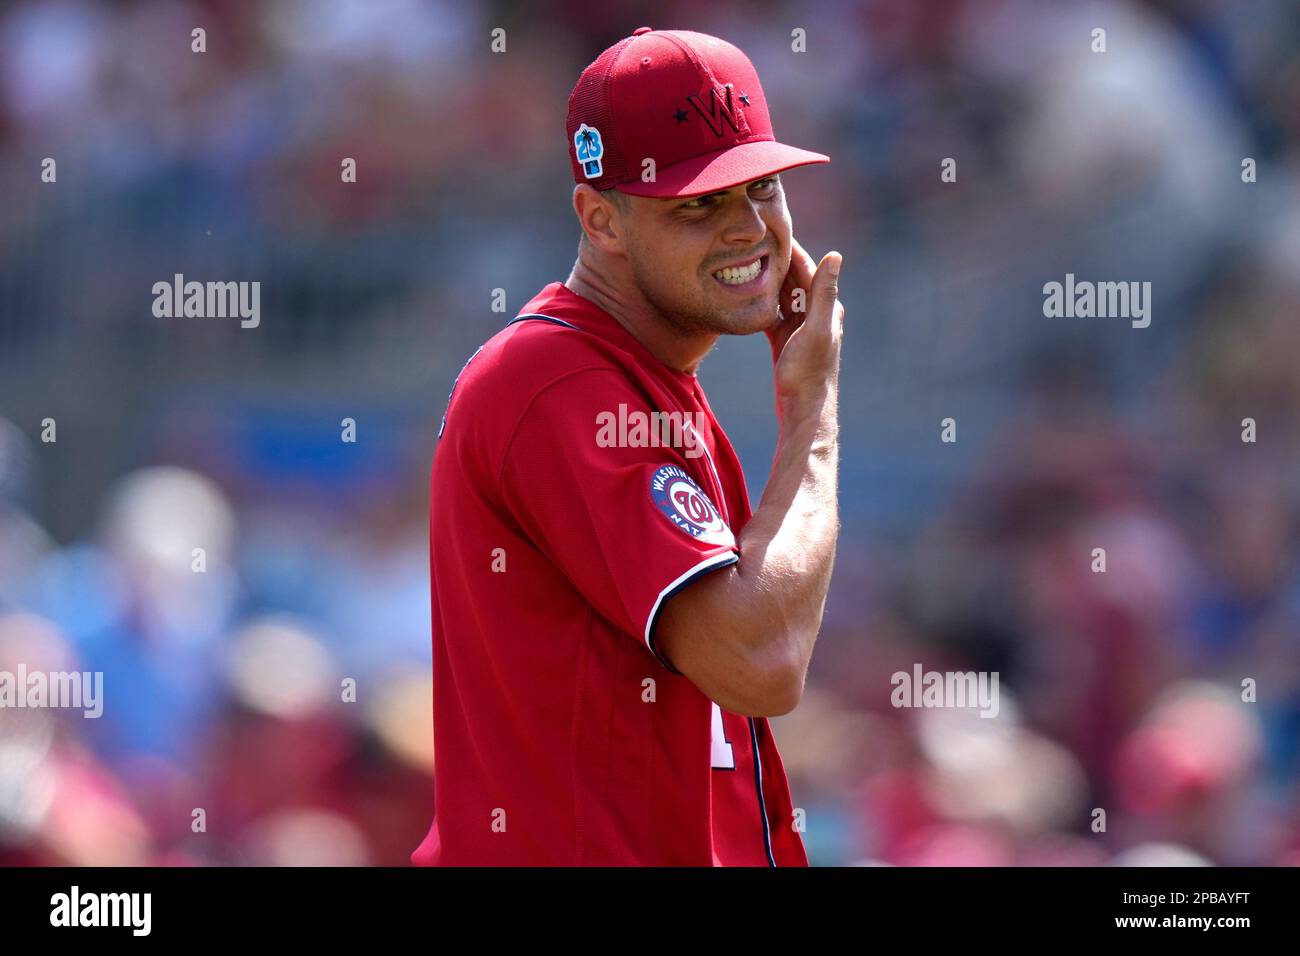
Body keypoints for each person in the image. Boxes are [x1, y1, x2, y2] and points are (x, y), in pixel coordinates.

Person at [413, 26, 844, 866]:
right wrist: (813, 413)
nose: (748, 229)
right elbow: (761, 660)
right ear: (599, 217)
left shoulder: (647, 386)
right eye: (699, 204)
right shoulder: (557, 379)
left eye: (761, 188)